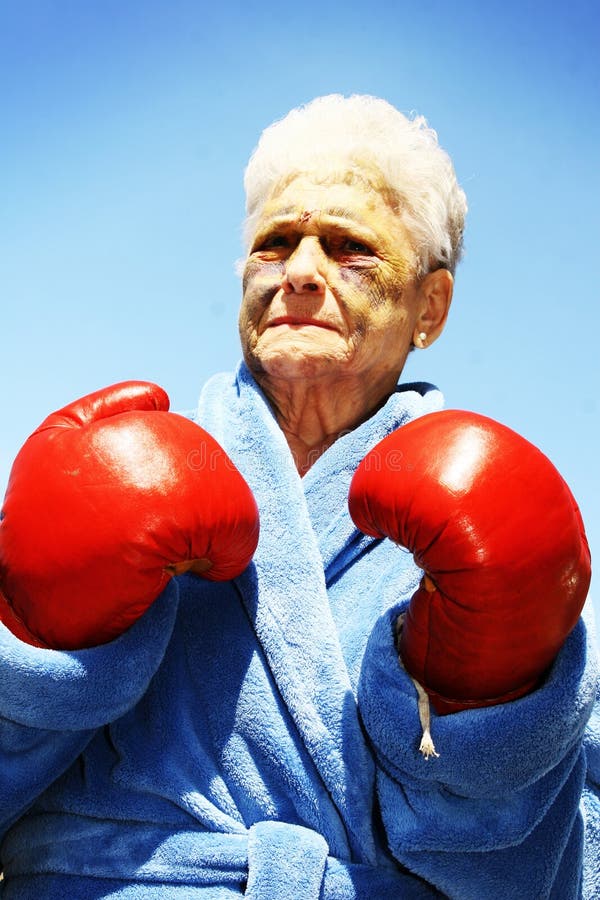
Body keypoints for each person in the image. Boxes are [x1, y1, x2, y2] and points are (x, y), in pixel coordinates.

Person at [0, 94, 598, 899]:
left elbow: (553, 868)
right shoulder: (118, 472)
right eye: (274, 244)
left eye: (351, 249)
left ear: (430, 308)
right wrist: (28, 627)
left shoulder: (492, 515)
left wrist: (497, 708)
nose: (301, 272)